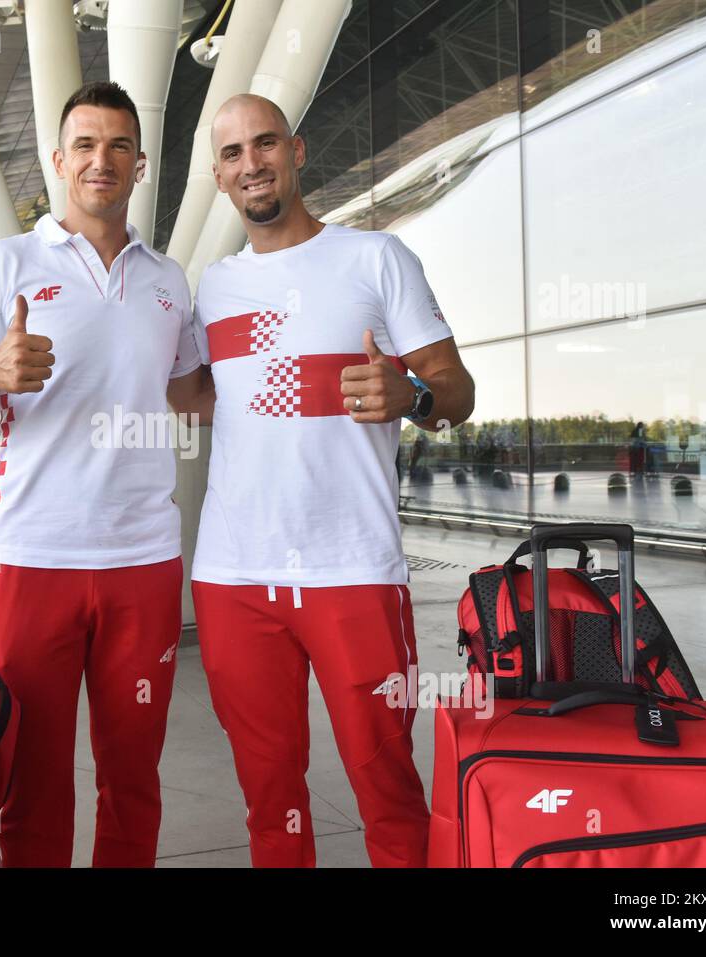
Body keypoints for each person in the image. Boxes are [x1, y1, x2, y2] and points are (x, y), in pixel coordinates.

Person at [167, 93, 476, 868]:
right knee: (271, 803)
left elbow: (458, 388)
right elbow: (203, 395)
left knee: (389, 796)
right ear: (218, 175)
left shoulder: (376, 258)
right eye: (234, 154)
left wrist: (414, 397)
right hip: (234, 576)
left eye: (265, 144)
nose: (252, 164)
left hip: (352, 570)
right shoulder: (214, 288)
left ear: (297, 152)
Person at [0, 81, 200, 868]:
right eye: (84, 144)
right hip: (30, 561)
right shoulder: (6, 264)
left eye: (117, 145)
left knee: (133, 777)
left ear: (140, 164)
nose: (100, 160)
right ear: (57, 160)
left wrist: (303, 383)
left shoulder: (167, 280)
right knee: (32, 783)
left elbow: (189, 391)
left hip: (142, 562)